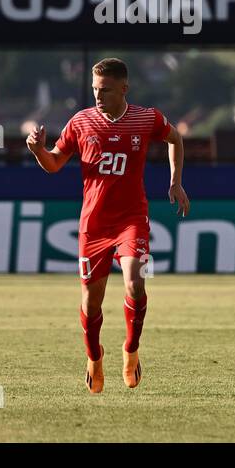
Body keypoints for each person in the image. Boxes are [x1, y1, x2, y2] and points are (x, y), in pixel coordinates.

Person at [26, 57, 190, 393]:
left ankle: (130, 351)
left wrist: (175, 182)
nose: (98, 96)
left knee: (136, 285)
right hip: (94, 225)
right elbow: (55, 164)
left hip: (131, 220)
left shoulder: (146, 118)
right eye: (95, 90)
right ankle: (94, 357)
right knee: (91, 302)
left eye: (105, 90)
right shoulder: (81, 122)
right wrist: (39, 151)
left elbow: (175, 139)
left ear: (124, 88)